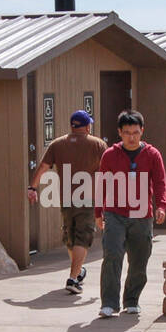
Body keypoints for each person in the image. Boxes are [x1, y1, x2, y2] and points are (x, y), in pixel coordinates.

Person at [94, 110, 166, 317]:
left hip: (142, 215)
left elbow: (160, 182)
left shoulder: (152, 154)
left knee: (139, 259)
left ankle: (131, 300)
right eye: (127, 133)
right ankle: (109, 303)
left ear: (142, 131)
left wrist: (161, 206)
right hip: (114, 213)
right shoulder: (110, 155)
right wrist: (98, 212)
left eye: (135, 132)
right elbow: (102, 184)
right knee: (112, 255)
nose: (132, 137)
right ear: (120, 132)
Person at [29, 110, 107, 293]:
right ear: (87, 126)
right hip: (88, 198)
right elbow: (109, 170)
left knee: (70, 236)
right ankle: (73, 279)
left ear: (72, 126)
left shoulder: (57, 144)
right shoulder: (98, 144)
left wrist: (32, 187)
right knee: (83, 237)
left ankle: (77, 271)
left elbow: (43, 167)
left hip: (66, 198)